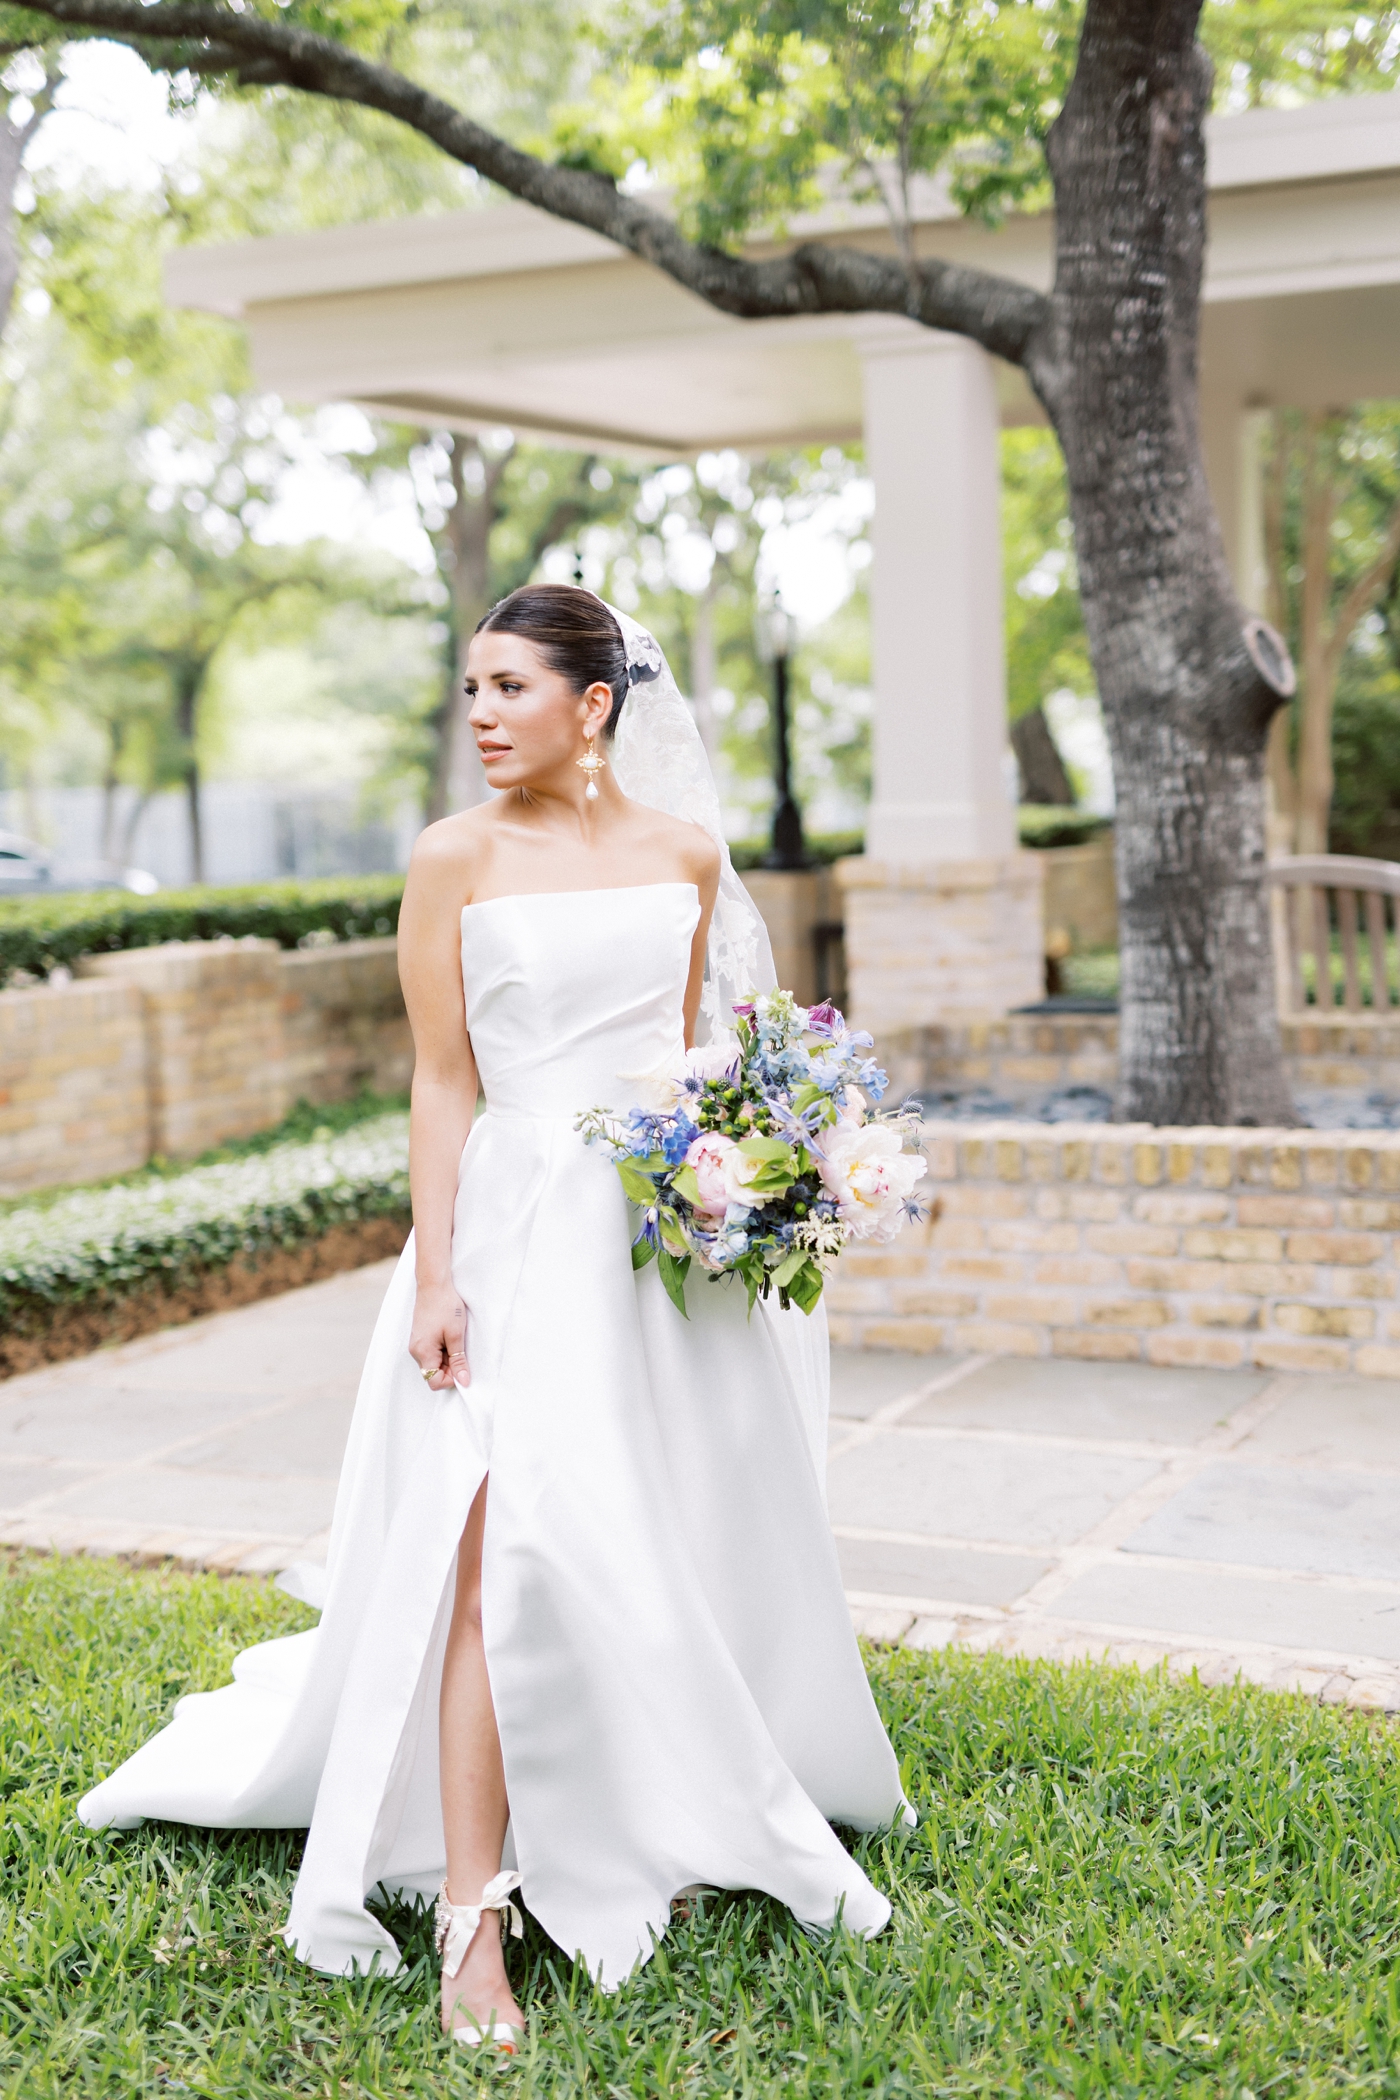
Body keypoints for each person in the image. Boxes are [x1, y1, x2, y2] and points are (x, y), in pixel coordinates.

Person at [77, 585, 911, 2053]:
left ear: (595, 706)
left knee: (656, 1532)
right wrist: (440, 1271)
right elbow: (442, 1080)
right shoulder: (450, 857)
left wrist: (769, 1169)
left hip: (647, 1250)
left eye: (509, 687)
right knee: (490, 1554)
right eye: (469, 687)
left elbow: (687, 1055)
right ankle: (477, 1906)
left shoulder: (687, 855)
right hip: (512, 1240)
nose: (479, 714)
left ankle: (665, 1794)